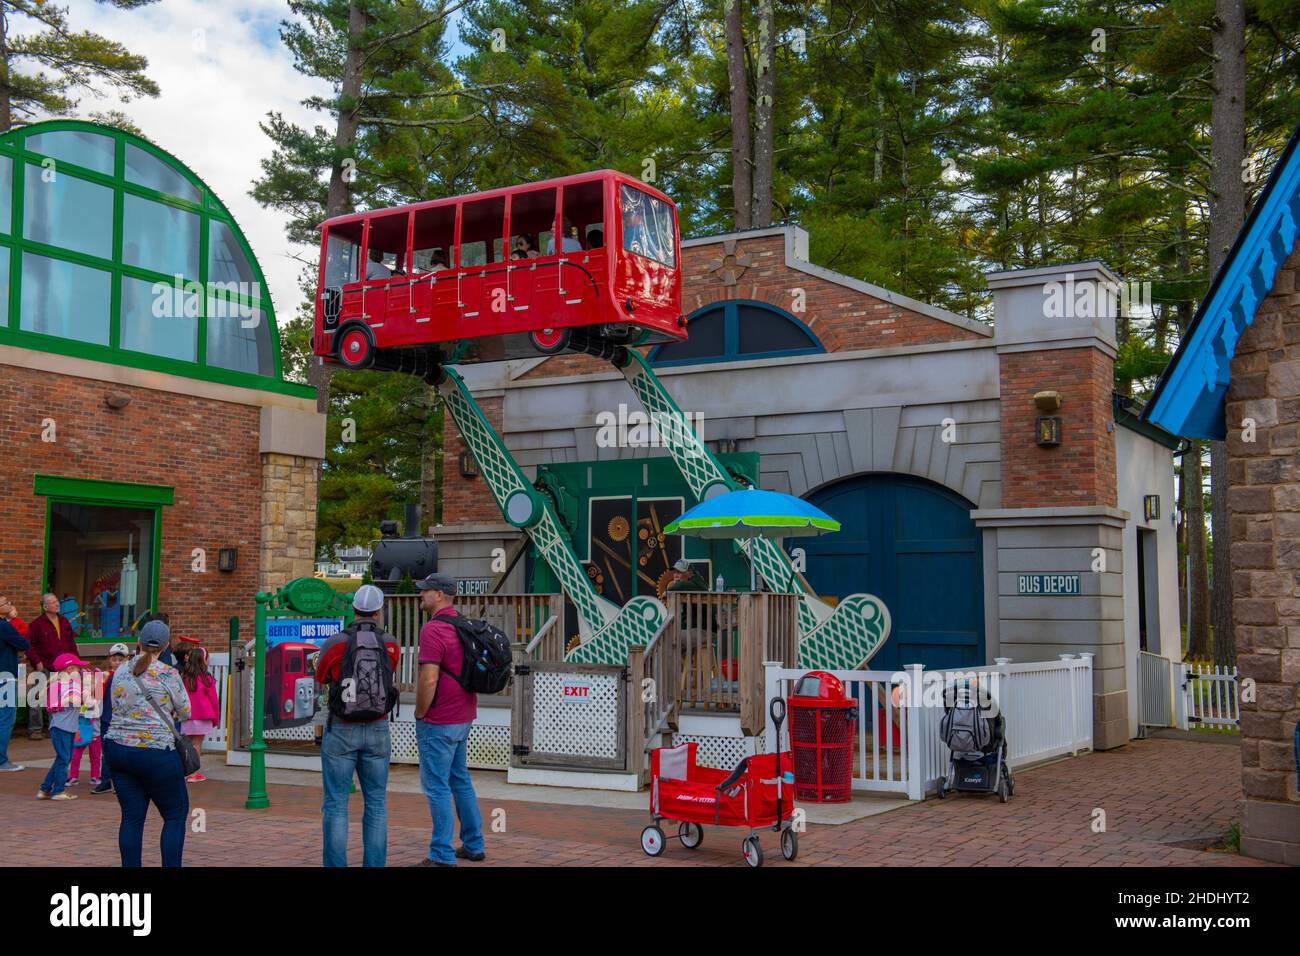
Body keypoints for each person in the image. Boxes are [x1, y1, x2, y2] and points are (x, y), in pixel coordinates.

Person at [314, 584, 401, 867]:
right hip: (378, 728)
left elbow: (322, 675)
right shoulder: (390, 643)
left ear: (353, 609)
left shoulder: (336, 643)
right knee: (376, 803)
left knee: (336, 804)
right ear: (379, 610)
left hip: (341, 728)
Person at [104, 620, 191, 867]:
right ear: (165, 646)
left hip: (118, 747)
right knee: (175, 815)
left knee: (131, 817)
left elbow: (116, 703)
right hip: (155, 751)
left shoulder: (120, 671)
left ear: (139, 643)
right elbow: (185, 711)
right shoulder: (168, 673)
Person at [412, 572, 484, 866]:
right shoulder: (463, 624)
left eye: (424, 591)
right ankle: (474, 843)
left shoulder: (433, 630)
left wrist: (419, 713)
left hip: (439, 719)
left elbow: (428, 679)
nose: (420, 595)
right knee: (460, 780)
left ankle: (441, 853)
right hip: (464, 714)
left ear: (438, 595)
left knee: (436, 785)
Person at [38, 652, 88, 801]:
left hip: (70, 728)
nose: (79, 671)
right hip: (60, 727)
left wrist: (85, 702)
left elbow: (82, 708)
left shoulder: (75, 685)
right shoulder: (56, 686)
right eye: (77, 668)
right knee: (64, 758)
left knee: (63, 758)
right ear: (69, 669)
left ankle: (45, 789)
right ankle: (58, 791)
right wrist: (67, 701)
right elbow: (50, 706)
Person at [27, 593, 77, 739]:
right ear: (45, 606)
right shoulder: (36, 624)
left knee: (57, 698)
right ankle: (35, 730)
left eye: (57, 601)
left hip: (62, 667)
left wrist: (75, 662)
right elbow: (29, 646)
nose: (57, 604)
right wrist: (36, 661)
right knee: (36, 697)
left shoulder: (64, 622)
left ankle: (54, 727)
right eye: (53, 602)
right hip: (44, 665)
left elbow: (71, 644)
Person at [175, 642, 219, 783]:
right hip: (203, 715)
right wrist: (216, 718)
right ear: (203, 660)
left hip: (187, 715)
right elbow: (213, 700)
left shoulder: (184, 677)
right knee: (197, 744)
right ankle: (193, 772)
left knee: (187, 745)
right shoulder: (207, 678)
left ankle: (186, 770)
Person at [91, 643, 130, 795]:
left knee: (124, 751)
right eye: (114, 659)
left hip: (124, 719)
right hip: (107, 717)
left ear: (127, 659)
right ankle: (106, 781)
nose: (117, 663)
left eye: (121, 659)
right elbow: (96, 696)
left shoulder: (131, 676)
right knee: (106, 751)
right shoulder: (105, 676)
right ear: (109, 659)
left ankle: (123, 782)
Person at [0, 609, 30, 772]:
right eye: (5, 603)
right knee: (5, 719)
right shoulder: (5, 626)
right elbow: (24, 643)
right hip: (5, 677)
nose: (10, 605)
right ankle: (1, 761)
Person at [66, 662, 105, 788]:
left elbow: (98, 712)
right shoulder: (79, 697)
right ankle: (73, 776)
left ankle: (94, 776)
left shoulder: (99, 697)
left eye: (93, 683)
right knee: (76, 754)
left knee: (95, 755)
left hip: (95, 732)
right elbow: (76, 712)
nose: (90, 686)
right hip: (81, 731)